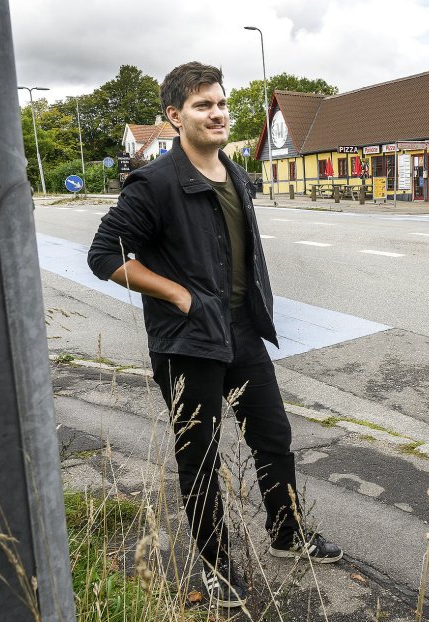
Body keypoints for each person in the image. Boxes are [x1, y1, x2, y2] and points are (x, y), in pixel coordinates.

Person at [87, 61, 342, 609]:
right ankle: (216, 566)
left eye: (222, 103)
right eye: (204, 105)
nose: (218, 113)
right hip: (187, 342)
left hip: (241, 333)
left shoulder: (235, 173)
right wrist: (176, 295)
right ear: (175, 116)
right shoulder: (154, 184)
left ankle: (285, 530)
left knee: (272, 436)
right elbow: (103, 256)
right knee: (199, 458)